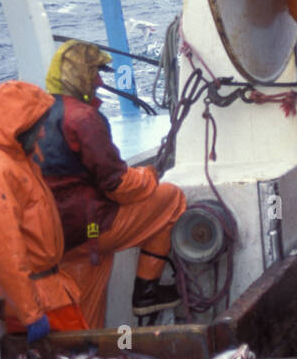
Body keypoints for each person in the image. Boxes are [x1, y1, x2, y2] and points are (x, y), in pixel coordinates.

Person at [38, 40, 187, 328]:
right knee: (170, 198)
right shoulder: (83, 118)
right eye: (94, 72)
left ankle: (82, 358)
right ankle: (146, 293)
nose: (100, 81)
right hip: (91, 228)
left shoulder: (36, 114)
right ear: (78, 73)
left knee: (86, 315)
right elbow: (117, 184)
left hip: (55, 238)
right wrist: (148, 176)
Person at [0, 79, 87, 341]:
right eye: (37, 126)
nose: (44, 134)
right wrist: (30, 313)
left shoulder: (21, 159)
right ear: (19, 127)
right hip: (40, 301)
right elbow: (4, 250)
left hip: (53, 293)